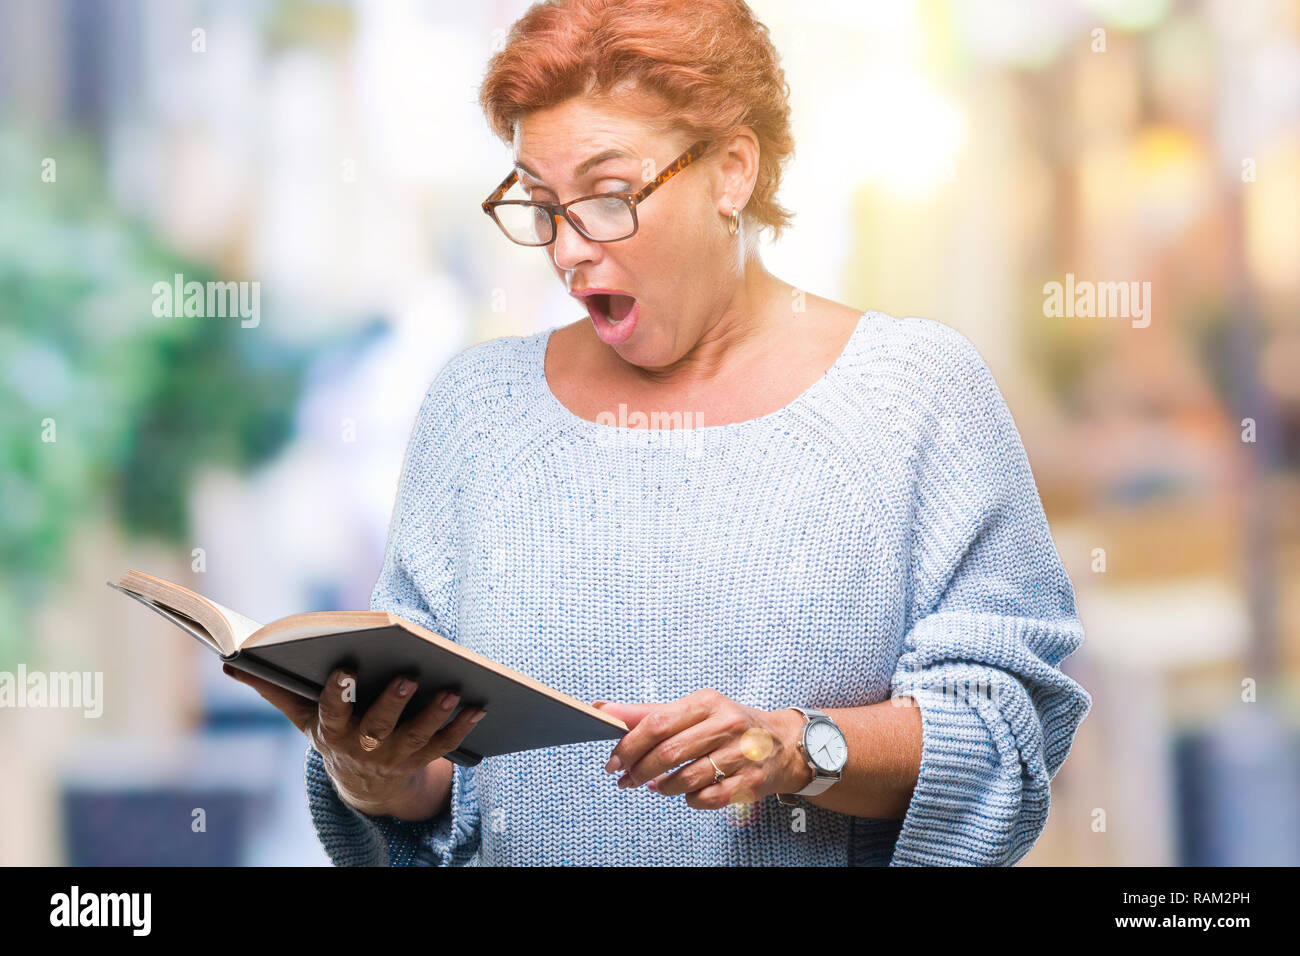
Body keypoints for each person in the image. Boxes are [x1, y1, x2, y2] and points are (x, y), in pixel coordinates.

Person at [226, 0, 1092, 866]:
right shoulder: (476, 412)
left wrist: (799, 749)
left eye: (607, 196)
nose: (567, 250)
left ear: (732, 172)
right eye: (539, 203)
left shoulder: (917, 394)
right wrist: (374, 780)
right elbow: (435, 779)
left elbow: (1001, 734)